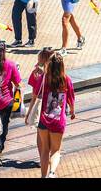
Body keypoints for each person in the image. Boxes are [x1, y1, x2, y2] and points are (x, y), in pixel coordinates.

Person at [27, 50, 74, 178]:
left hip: (43, 120)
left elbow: (35, 95)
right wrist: (73, 111)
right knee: (56, 150)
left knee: (44, 150)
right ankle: (52, 173)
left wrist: (28, 114)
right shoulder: (66, 80)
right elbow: (71, 99)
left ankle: (43, 176)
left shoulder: (43, 78)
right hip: (58, 121)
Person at [0, 41, 22, 166]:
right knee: (3, 127)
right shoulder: (11, 64)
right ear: (5, 51)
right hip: (6, 101)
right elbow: (18, 84)